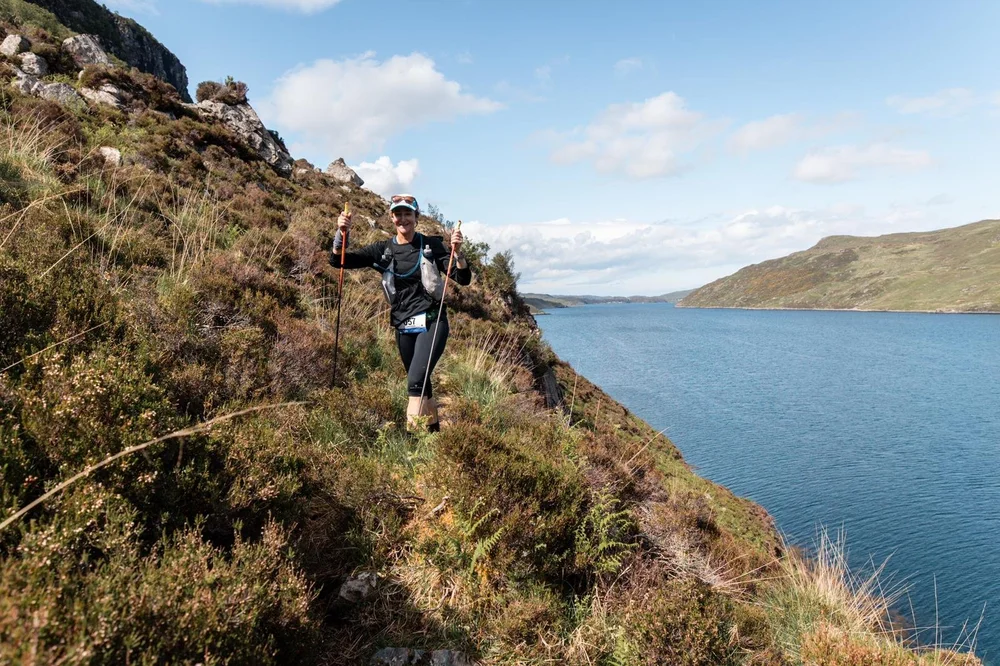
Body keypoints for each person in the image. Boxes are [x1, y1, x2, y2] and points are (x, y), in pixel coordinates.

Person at [331, 194, 471, 432]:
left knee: (415, 381)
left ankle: (413, 444)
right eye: (398, 214)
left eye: (408, 214)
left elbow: (463, 278)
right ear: (391, 217)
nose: (403, 219)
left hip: (432, 321)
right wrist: (341, 234)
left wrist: (457, 254)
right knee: (422, 384)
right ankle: (433, 435)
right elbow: (339, 262)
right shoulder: (382, 250)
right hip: (403, 325)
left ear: (416, 217)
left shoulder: (431, 245)